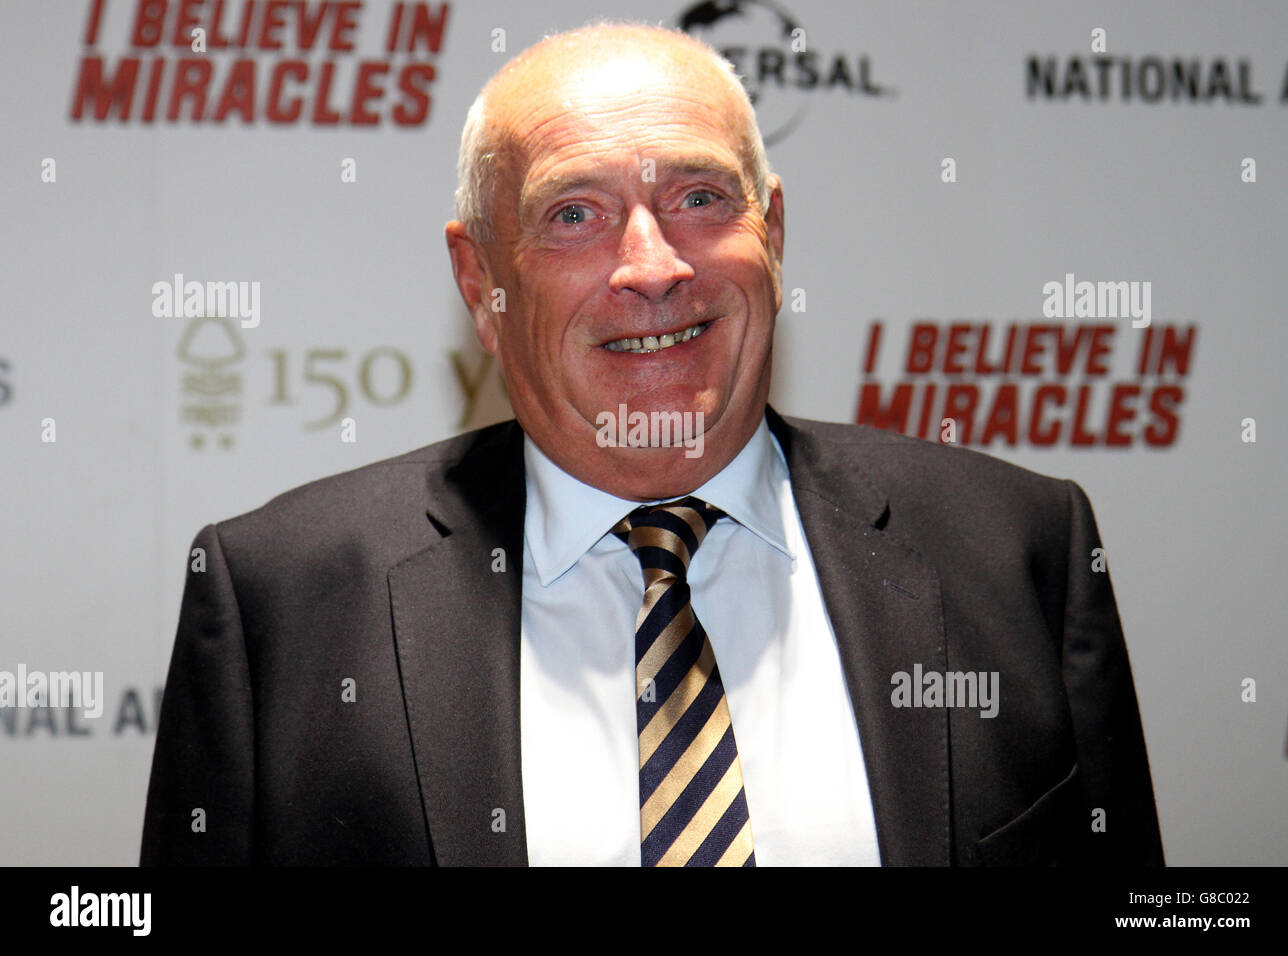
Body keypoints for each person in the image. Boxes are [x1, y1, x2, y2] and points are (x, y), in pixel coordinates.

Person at [141, 23, 1163, 866]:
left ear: (773, 230)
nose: (654, 265)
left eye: (700, 198)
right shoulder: (281, 597)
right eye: (575, 213)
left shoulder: (1020, 546)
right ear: (479, 280)